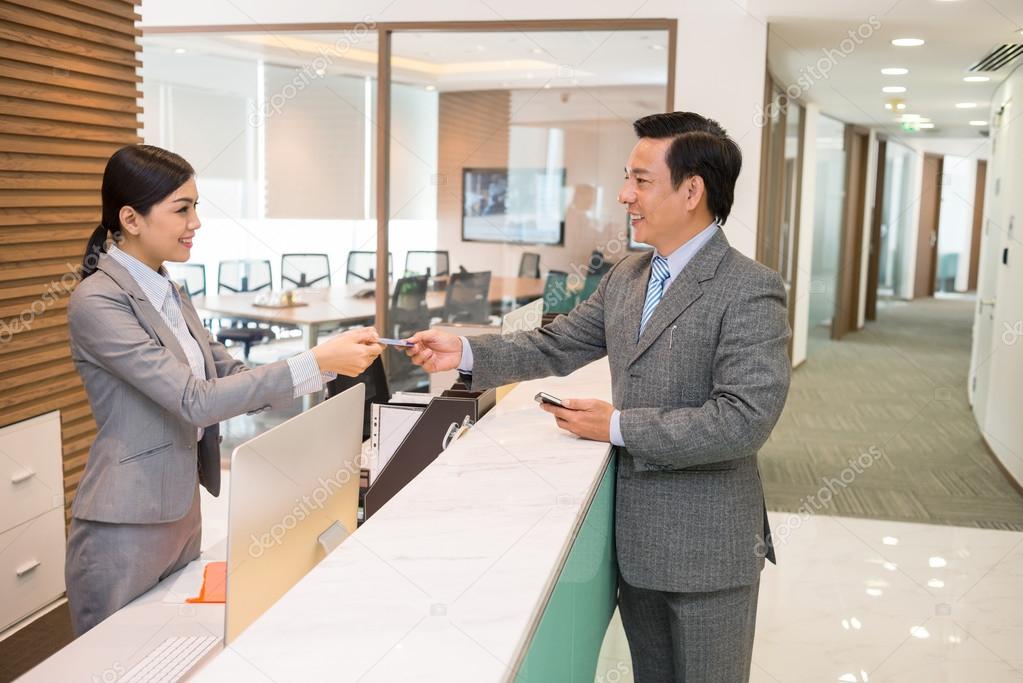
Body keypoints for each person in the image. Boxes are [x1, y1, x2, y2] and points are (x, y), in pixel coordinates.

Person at [406, 112, 791, 682]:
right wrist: (464, 351)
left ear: (692, 191)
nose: (623, 194)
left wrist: (617, 427)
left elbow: (743, 420)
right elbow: (558, 343)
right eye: (626, 178)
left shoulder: (750, 287)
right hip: (636, 551)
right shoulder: (628, 276)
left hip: (708, 549)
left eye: (640, 180)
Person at [65, 144, 382, 636]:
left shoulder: (168, 289)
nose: (196, 222)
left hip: (181, 510)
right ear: (130, 217)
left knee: (174, 651)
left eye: (196, 207)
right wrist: (315, 359)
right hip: (125, 523)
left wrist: (323, 368)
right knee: (117, 661)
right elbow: (194, 399)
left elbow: (228, 374)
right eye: (182, 209)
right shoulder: (98, 301)